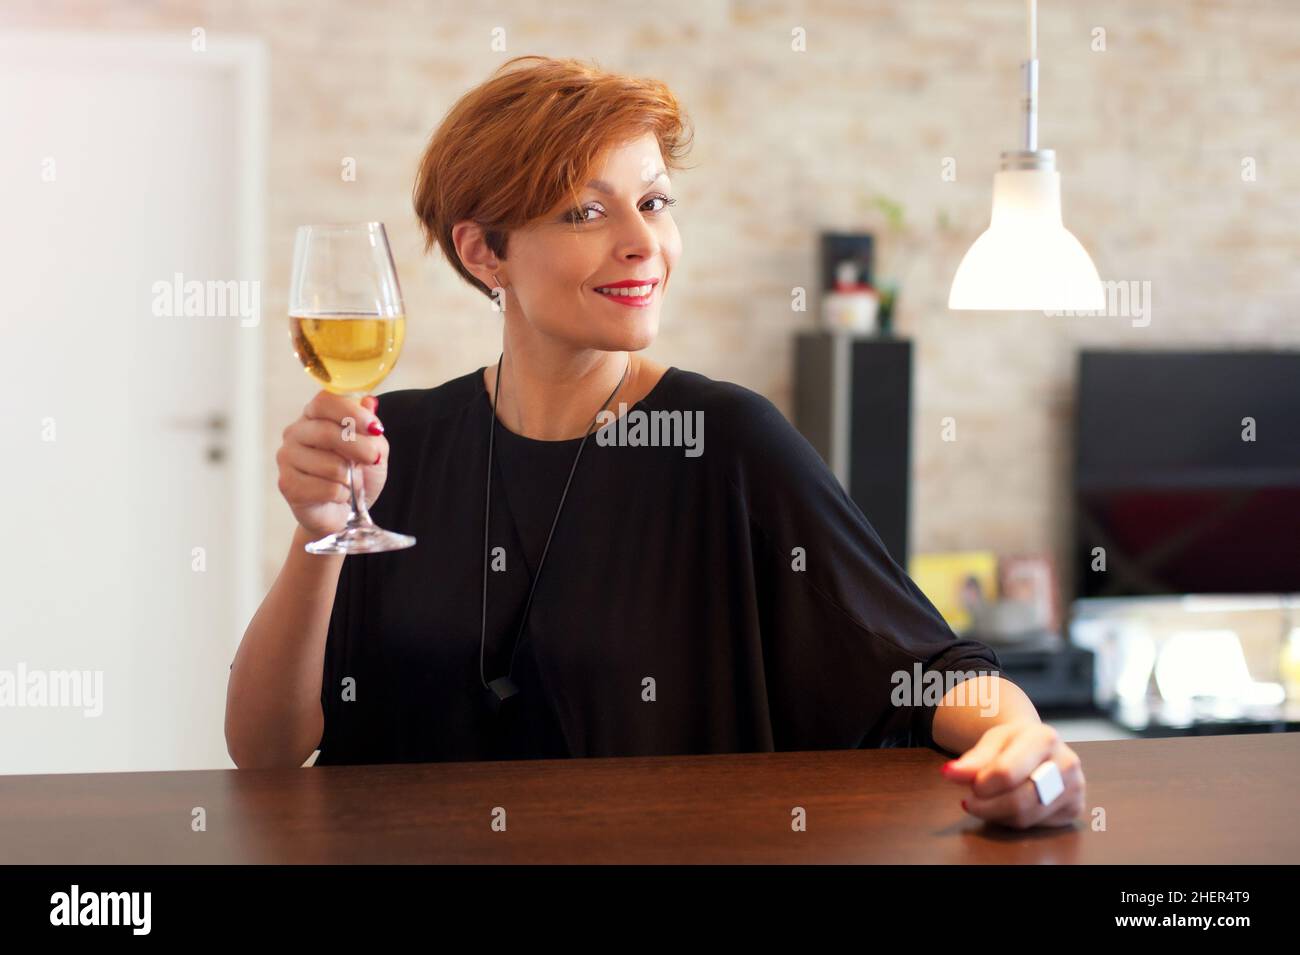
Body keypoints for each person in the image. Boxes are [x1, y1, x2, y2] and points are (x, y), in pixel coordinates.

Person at [226, 55, 1085, 830]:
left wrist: (1020, 734)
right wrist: (316, 532)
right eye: (586, 211)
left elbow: (928, 667)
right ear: (485, 251)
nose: (643, 243)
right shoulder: (399, 441)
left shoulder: (729, 443)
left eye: (655, 202)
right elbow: (263, 748)